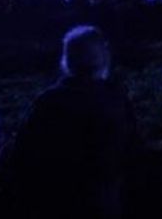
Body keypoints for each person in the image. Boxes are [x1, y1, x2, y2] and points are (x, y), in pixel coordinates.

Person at [10, 26, 135, 218]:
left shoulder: (48, 102)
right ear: (103, 57)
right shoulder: (116, 99)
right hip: (103, 203)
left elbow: (23, 154)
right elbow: (132, 151)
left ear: (67, 60)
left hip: (58, 202)